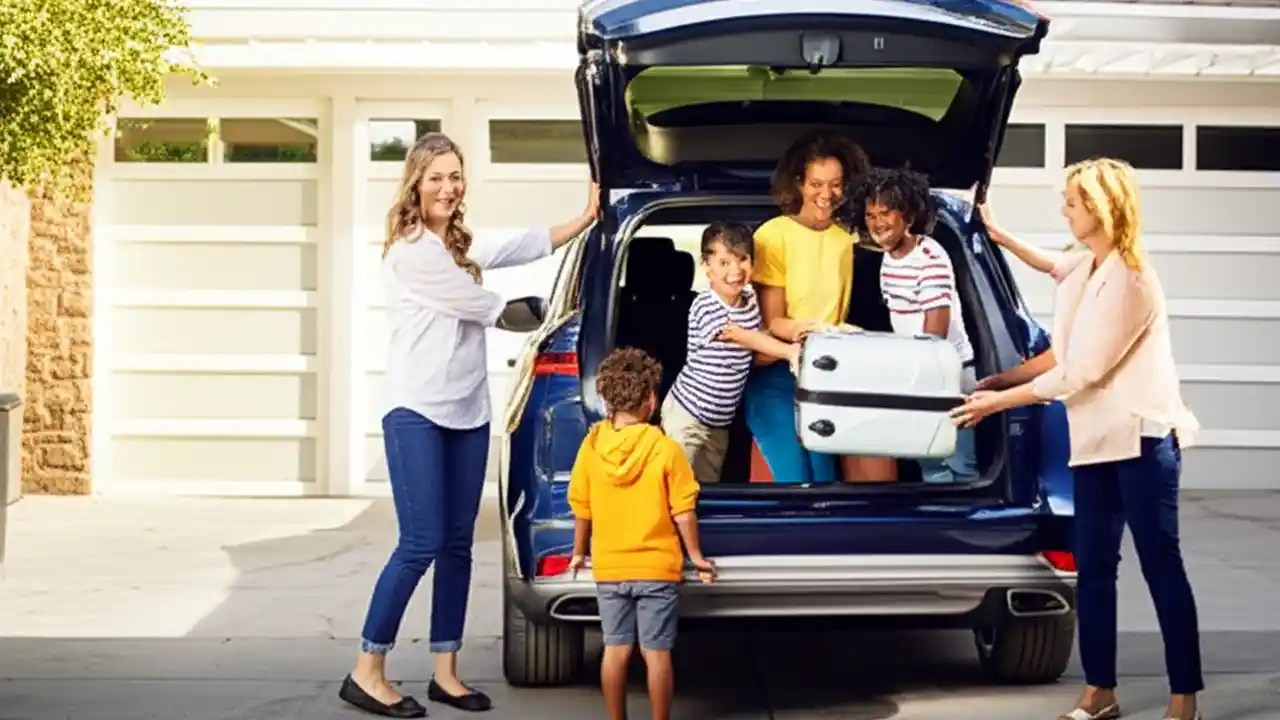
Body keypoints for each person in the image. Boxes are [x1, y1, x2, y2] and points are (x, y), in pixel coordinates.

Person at [339, 132, 600, 719]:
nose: (448, 187)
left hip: (466, 411)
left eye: (455, 176)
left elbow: (518, 244)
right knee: (420, 543)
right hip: (416, 412)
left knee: (458, 547)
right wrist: (551, 315)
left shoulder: (455, 243)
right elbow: (490, 308)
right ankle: (367, 669)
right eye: (436, 177)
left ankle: (445, 672)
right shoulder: (411, 251)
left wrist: (583, 219)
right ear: (414, 182)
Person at [950, 158, 1204, 720]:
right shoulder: (1089, 266)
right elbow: (1053, 267)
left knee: (1162, 568)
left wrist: (999, 398)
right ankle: (1100, 694)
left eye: (1071, 200)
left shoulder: (1133, 280)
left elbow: (1079, 373)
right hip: (1094, 445)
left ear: (1101, 207)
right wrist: (998, 234)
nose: (1063, 209)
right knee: (1093, 571)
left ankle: (1184, 698)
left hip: (1141, 442)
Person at [567, 347, 717, 720]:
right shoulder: (666, 449)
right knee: (656, 653)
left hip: (611, 569)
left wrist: (578, 552)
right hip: (655, 570)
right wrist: (696, 556)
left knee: (615, 650)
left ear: (606, 400)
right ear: (651, 399)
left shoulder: (591, 447)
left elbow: (581, 506)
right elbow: (683, 510)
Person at [747, 130, 897, 484]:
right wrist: (820, 330)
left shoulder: (846, 237)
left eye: (836, 184)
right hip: (778, 372)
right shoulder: (773, 235)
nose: (826, 194)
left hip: (828, 370)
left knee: (824, 481)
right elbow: (773, 323)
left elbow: (897, 235)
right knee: (794, 479)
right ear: (798, 183)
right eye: (816, 183)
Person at [849, 167, 979, 484]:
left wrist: (907, 381)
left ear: (907, 215)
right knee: (931, 468)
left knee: (960, 468)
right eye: (870, 215)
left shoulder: (929, 257)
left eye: (885, 213)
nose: (877, 222)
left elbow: (936, 332)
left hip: (948, 373)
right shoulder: (888, 258)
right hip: (919, 372)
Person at [662, 222, 801, 483]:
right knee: (678, 487)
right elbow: (741, 336)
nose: (736, 271)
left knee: (707, 489)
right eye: (724, 263)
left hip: (719, 423)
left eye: (743, 260)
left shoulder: (749, 301)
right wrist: (790, 352)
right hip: (687, 415)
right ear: (707, 266)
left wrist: (801, 332)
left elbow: (760, 340)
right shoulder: (705, 305)